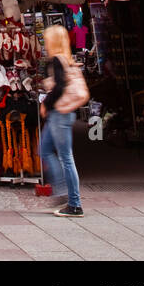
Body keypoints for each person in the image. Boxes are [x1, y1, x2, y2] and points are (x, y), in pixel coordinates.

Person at [40, 24, 85, 217]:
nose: (45, 43)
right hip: (59, 114)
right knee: (44, 150)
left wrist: (46, 104)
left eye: (47, 39)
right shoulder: (66, 59)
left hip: (59, 113)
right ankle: (62, 191)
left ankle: (74, 203)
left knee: (66, 157)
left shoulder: (58, 60)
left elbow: (59, 87)